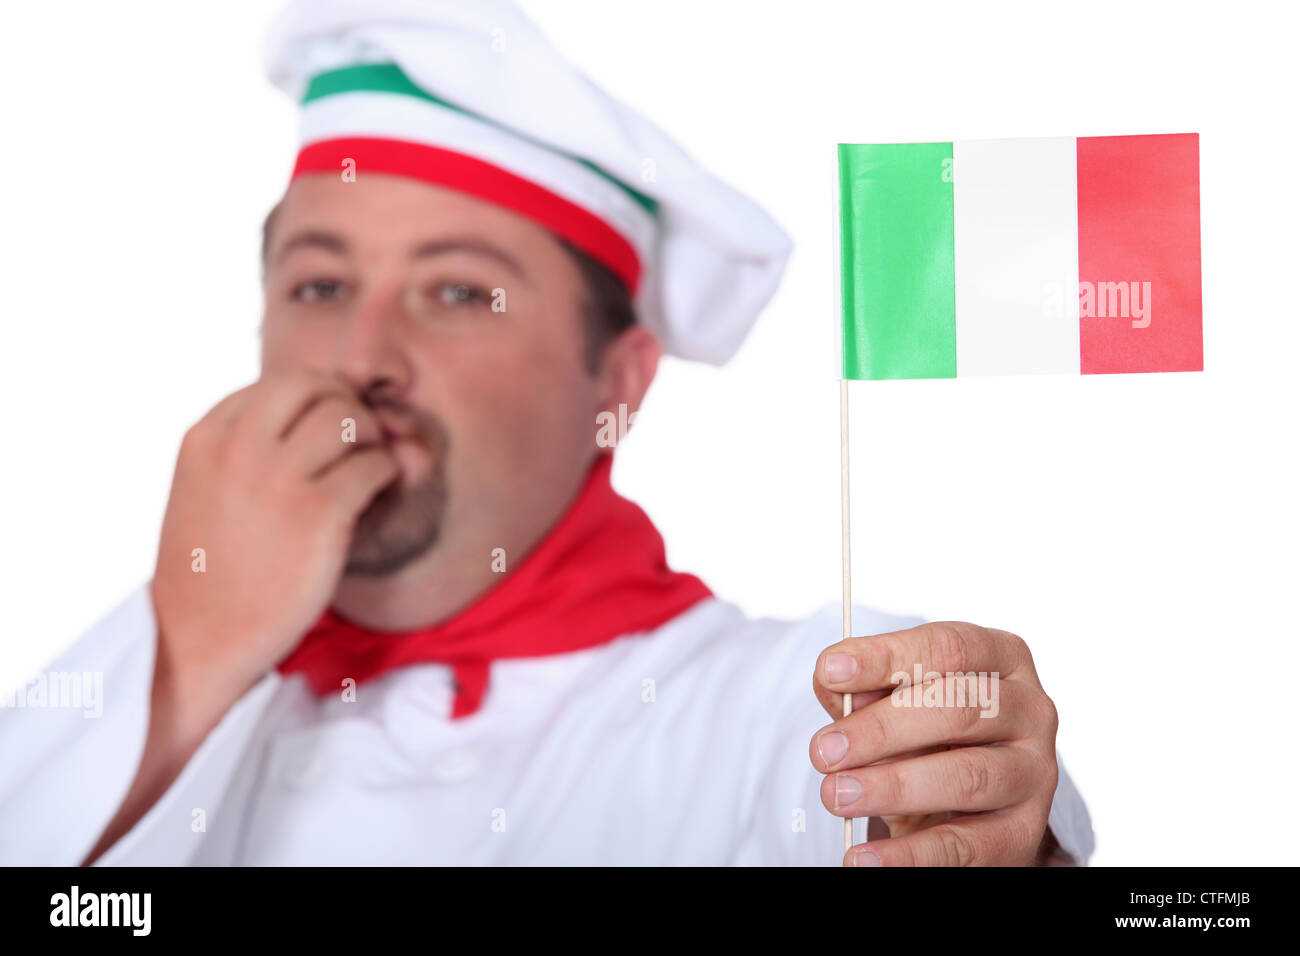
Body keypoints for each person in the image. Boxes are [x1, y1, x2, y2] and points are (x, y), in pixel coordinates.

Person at [0, 0, 1092, 866]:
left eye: (460, 292)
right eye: (322, 282)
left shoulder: (791, 704)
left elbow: (900, 812)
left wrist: (986, 812)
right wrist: (184, 659)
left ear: (617, 377)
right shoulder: (121, 709)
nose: (360, 355)